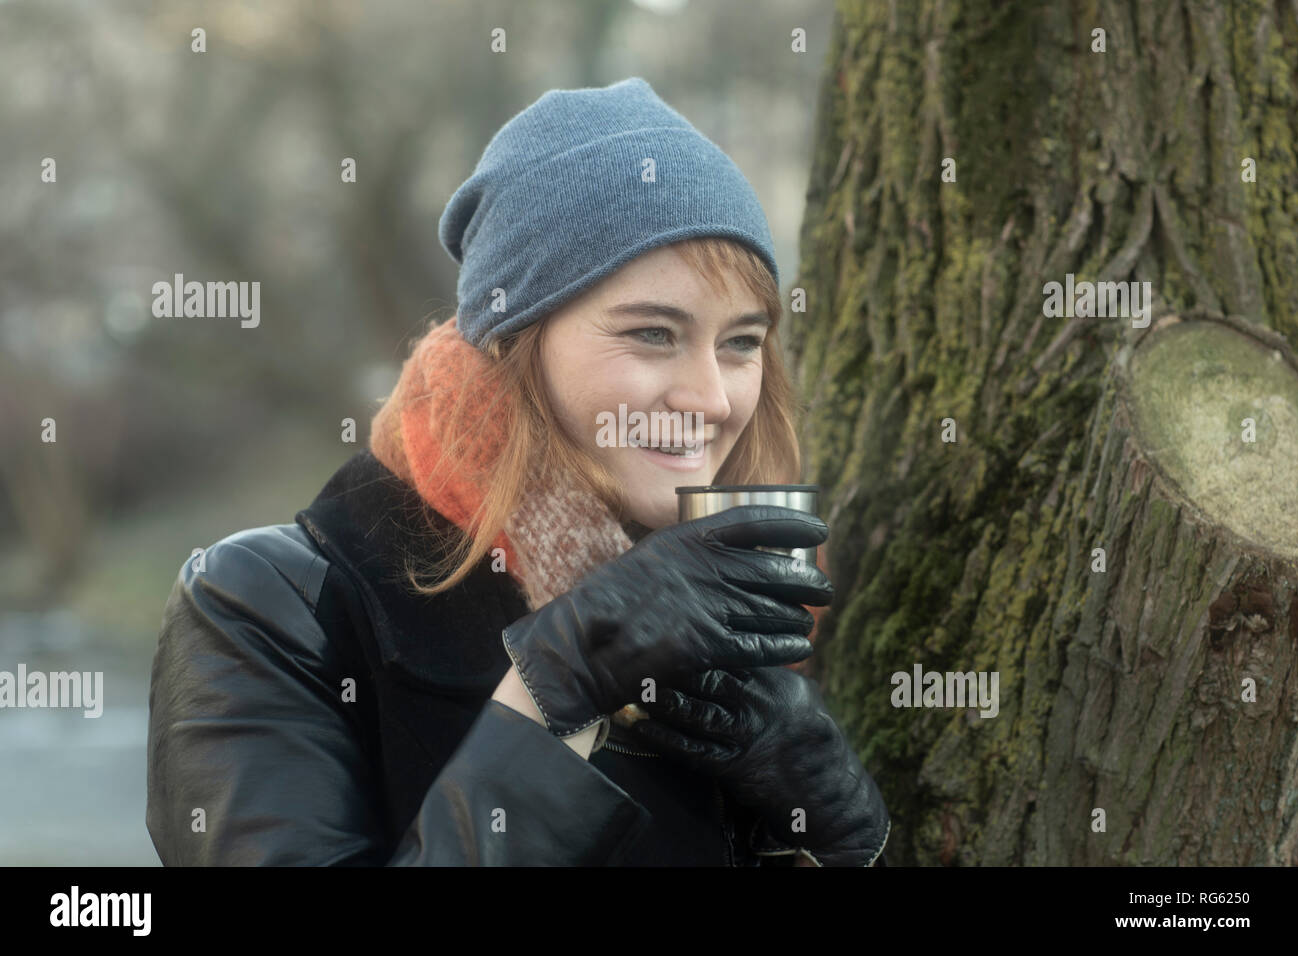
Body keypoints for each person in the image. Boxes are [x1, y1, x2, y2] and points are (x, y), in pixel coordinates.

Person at [145, 77, 890, 867]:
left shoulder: (744, 605)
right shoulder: (269, 605)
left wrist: (837, 829)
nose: (711, 397)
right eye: (652, 334)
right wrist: (554, 689)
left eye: (741, 342)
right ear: (515, 344)